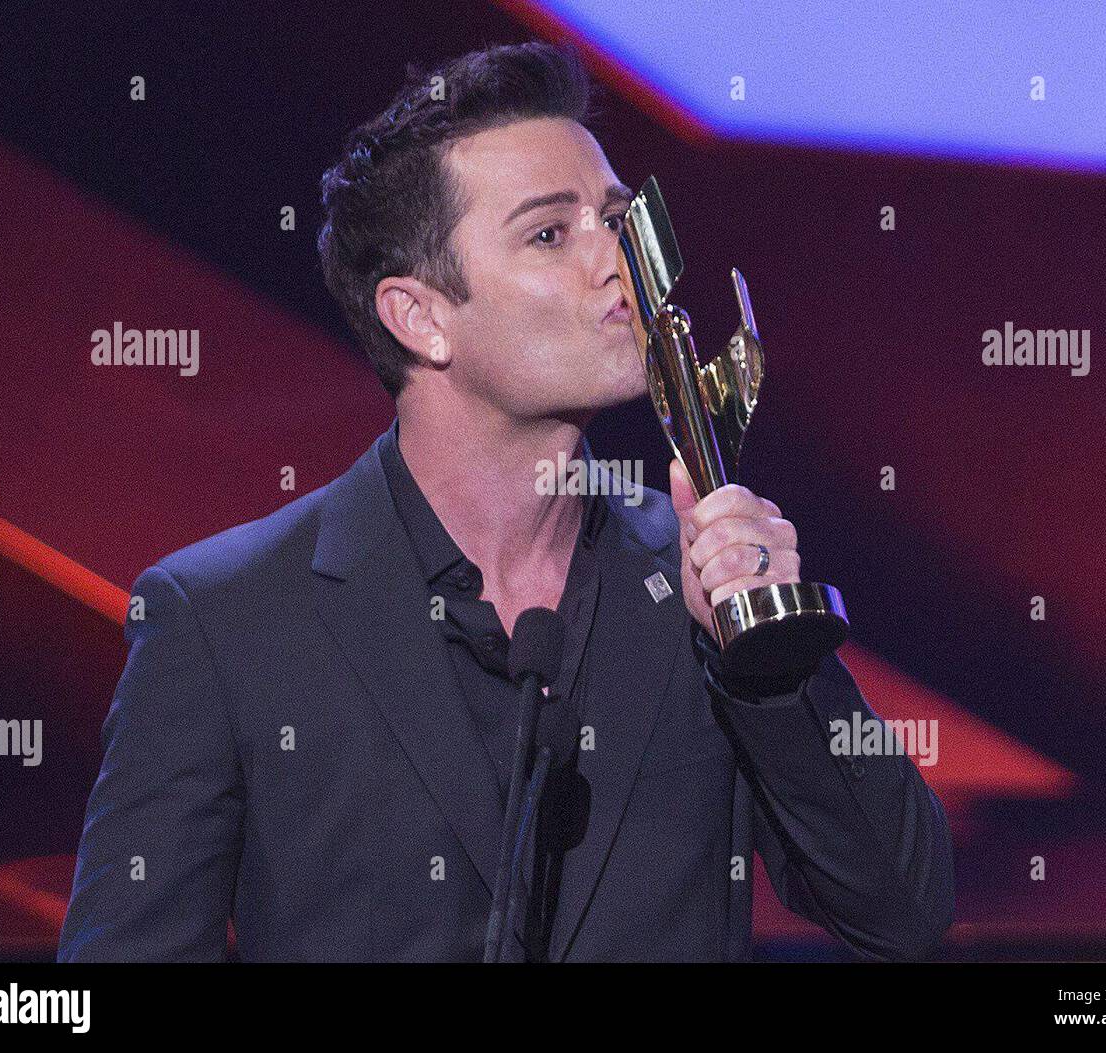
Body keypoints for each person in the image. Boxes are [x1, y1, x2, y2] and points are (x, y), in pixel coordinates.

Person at [58, 40, 953, 963]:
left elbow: (902, 909)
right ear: (421, 317)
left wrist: (769, 656)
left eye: (615, 219)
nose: (619, 266)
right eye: (550, 234)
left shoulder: (691, 579)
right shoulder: (225, 619)